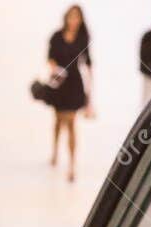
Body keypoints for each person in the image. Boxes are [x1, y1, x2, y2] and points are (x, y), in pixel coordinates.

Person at [46, 5, 94, 183]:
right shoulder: (56, 36)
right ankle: (55, 151)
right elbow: (50, 58)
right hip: (59, 83)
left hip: (74, 84)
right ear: (66, 18)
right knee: (58, 120)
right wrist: (56, 70)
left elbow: (88, 63)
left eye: (77, 17)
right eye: (71, 17)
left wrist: (90, 94)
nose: (74, 20)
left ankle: (72, 165)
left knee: (72, 123)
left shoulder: (83, 38)